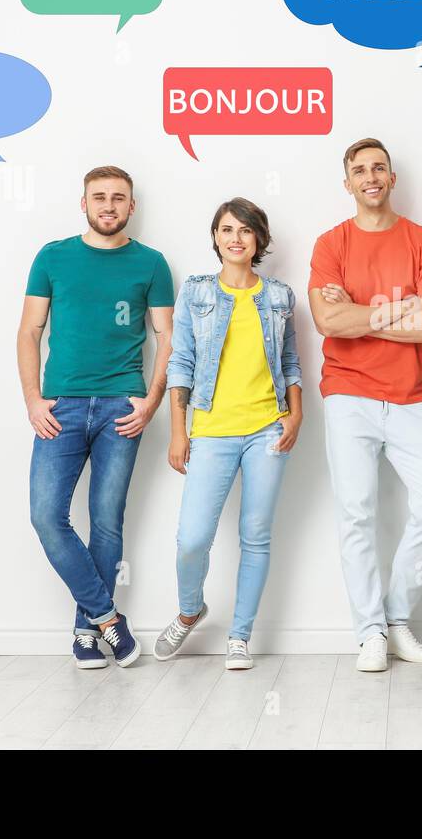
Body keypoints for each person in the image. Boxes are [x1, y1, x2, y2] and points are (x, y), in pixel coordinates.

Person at [308, 137, 422, 672]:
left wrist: (361, 313)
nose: (370, 177)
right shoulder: (331, 245)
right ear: (347, 183)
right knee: (357, 513)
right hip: (348, 394)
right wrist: (400, 308)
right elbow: (328, 323)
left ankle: (396, 618)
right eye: (359, 170)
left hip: (411, 395)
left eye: (379, 168)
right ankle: (369, 631)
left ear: (392, 178)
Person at [17, 165, 173, 668]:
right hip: (59, 407)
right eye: (99, 197)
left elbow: (168, 338)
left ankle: (85, 633)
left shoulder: (150, 264)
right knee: (47, 516)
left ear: (132, 207)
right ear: (83, 204)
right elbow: (28, 332)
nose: (109, 205)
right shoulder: (53, 257)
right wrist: (32, 399)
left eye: (119, 198)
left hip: (120, 408)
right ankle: (108, 619)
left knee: (106, 522)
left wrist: (150, 401)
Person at [155, 199, 302, 671]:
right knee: (192, 538)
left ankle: (239, 637)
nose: (235, 238)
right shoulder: (196, 293)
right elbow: (180, 363)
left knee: (255, 536)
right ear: (215, 238)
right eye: (225, 229)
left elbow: (292, 364)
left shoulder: (279, 295)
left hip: (267, 431)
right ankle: (189, 610)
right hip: (212, 431)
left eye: (244, 230)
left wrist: (294, 416)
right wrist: (179, 431)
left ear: (259, 238)